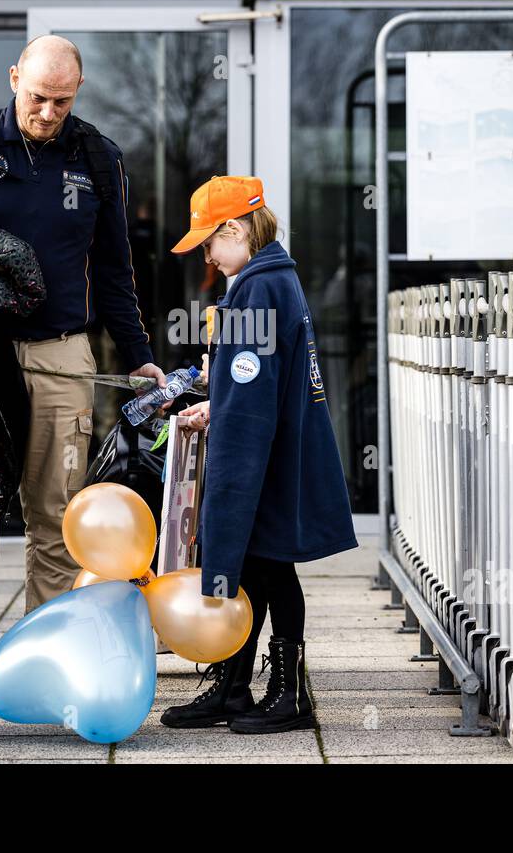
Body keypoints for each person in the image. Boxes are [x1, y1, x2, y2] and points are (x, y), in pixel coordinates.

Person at [0, 35, 165, 713]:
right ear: (14, 78)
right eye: (37, 96)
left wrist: (138, 356)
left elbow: (114, 271)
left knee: (55, 519)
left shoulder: (98, 156)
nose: (47, 111)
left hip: (62, 353)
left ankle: (46, 657)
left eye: (62, 100)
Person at [160, 176, 357, 734]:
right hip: (272, 443)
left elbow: (251, 386)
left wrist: (227, 433)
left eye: (208, 241)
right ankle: (235, 685)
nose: (205, 254)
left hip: (262, 454)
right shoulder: (269, 281)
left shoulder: (258, 287)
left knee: (269, 568)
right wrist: (215, 406)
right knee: (249, 568)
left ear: (236, 228)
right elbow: (252, 380)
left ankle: (287, 693)